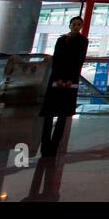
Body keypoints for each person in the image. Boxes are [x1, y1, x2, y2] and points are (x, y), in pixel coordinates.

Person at [40, 15, 88, 158]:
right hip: (62, 79)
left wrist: (65, 77)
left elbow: (77, 60)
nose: (76, 26)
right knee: (53, 114)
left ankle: (52, 147)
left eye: (78, 24)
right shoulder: (63, 40)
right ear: (70, 25)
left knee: (60, 114)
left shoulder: (81, 41)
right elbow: (61, 57)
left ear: (81, 26)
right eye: (74, 23)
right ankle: (46, 147)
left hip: (66, 79)